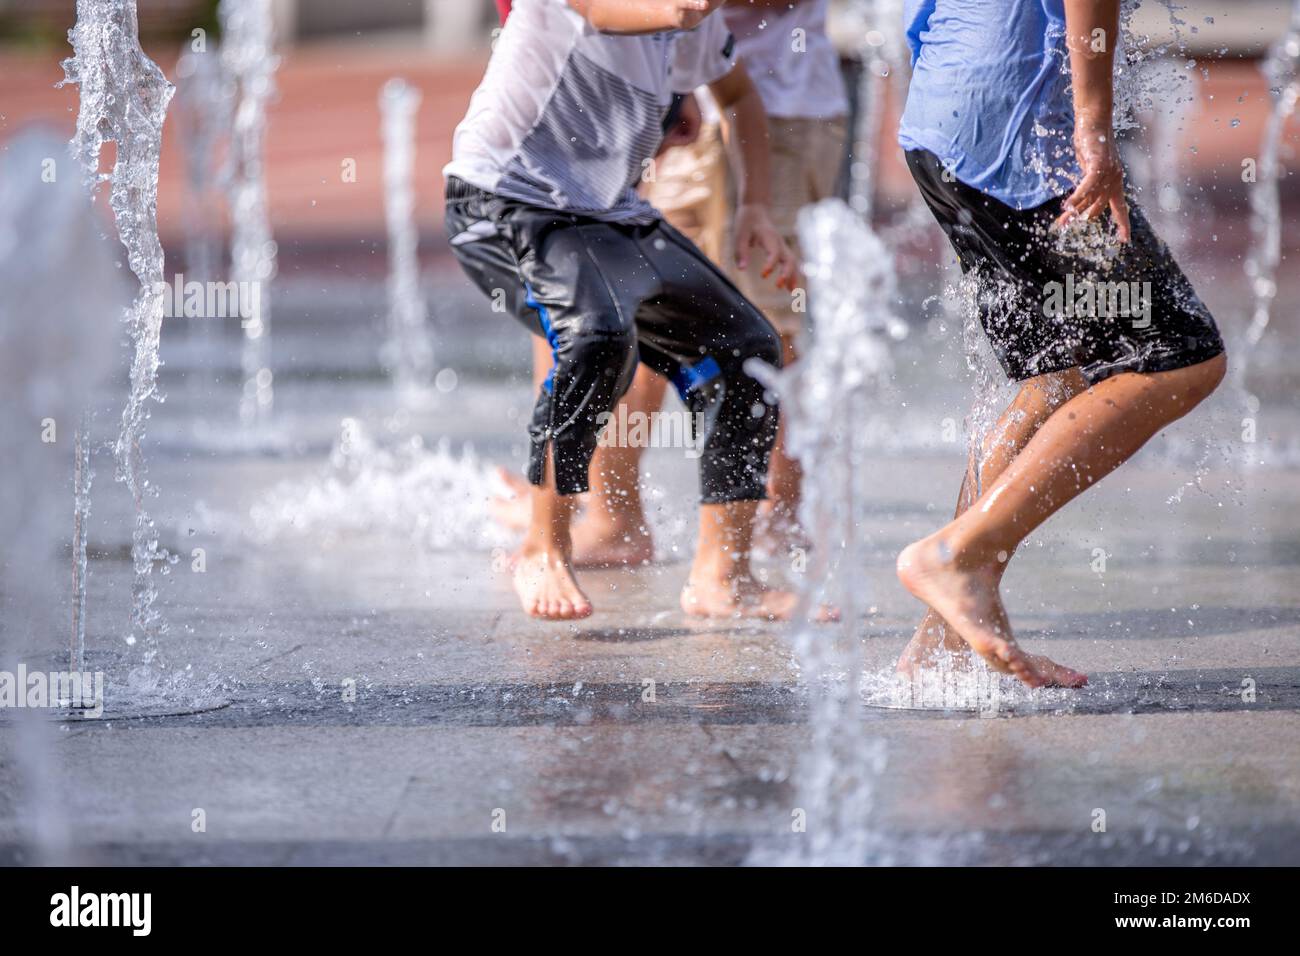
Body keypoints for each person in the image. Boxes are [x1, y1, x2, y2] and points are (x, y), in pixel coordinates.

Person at [894, 0, 1226, 688]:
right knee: (1181, 357)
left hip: (951, 122)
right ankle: (959, 554)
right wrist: (1094, 128)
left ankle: (945, 638)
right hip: (1018, 135)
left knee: (1057, 377)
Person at [443, 0, 803, 621]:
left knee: (747, 347)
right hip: (503, 203)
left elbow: (740, 96)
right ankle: (543, 545)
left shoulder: (695, 24)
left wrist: (755, 209)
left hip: (607, 213)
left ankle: (724, 576)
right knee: (599, 335)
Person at [496, 0, 849, 567]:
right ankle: (618, 517)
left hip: (768, 106)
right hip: (683, 109)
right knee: (637, 308)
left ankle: (771, 525)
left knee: (758, 327)